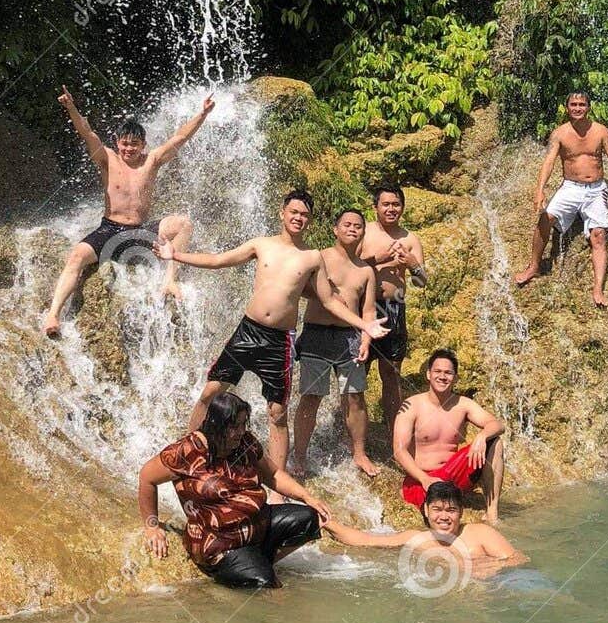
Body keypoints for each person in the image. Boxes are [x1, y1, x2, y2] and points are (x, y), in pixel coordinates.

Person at [158, 190, 387, 472]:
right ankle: (187, 453)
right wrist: (176, 255)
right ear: (282, 213)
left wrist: (365, 325)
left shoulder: (313, 258)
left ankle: (278, 482)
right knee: (210, 392)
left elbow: (328, 300)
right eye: (294, 212)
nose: (298, 218)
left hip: (279, 341)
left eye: (304, 215)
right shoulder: (261, 244)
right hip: (248, 331)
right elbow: (219, 261)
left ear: (310, 221)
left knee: (277, 413)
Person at [42, 87, 213, 335]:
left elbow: (179, 139)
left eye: (134, 144)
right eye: (124, 143)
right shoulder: (108, 158)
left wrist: (203, 114)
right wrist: (70, 107)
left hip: (140, 231)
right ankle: (53, 315)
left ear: (143, 144)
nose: (129, 149)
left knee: (183, 224)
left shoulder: (151, 161)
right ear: (117, 142)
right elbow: (87, 133)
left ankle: (170, 280)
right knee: (77, 256)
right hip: (109, 229)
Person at [137, 391, 332, 589]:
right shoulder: (186, 452)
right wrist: (151, 527)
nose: (240, 431)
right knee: (266, 584)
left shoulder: (244, 443)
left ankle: (257, 560)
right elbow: (147, 478)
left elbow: (272, 475)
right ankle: (245, 568)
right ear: (216, 426)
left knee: (309, 517)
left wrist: (307, 497)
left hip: (258, 528)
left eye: (242, 425)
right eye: (234, 426)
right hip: (219, 545)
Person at [513, 89, 608, 309]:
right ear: (567, 108)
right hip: (570, 187)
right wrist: (540, 190)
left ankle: (598, 288)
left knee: (599, 235)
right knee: (545, 217)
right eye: (574, 105)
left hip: (596, 189)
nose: (578, 108)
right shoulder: (560, 133)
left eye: (582, 105)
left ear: (589, 107)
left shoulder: (600, 131)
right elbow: (549, 161)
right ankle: (534, 266)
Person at [291, 207, 379, 480]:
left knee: (354, 397)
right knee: (311, 397)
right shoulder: (321, 258)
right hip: (316, 334)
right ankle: (300, 455)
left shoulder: (366, 271)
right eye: (347, 224)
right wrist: (324, 295)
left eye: (358, 226)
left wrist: (366, 339)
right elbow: (299, 288)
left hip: (349, 336)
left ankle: (359, 452)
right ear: (335, 229)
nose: (352, 229)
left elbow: (368, 311)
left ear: (364, 232)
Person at [392, 348, 505, 520]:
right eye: (437, 371)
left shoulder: (463, 404)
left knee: (495, 443)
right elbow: (399, 451)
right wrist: (424, 479)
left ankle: (491, 512)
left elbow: (497, 424)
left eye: (448, 373)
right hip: (424, 478)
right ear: (428, 374)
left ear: (455, 378)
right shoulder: (412, 405)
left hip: (455, 475)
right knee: (438, 516)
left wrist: (482, 437)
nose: (442, 376)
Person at [326, 481, 527, 576]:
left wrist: (479, 568)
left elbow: (519, 560)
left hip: (501, 586)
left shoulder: (479, 533)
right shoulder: (416, 538)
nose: (444, 517)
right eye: (437, 510)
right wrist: (327, 523)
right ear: (425, 510)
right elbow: (365, 540)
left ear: (461, 511)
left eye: (451, 510)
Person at [360, 183, 425, 427]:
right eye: (385, 204)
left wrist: (412, 264)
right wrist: (380, 259)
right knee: (358, 371)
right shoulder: (364, 231)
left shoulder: (410, 238)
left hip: (395, 308)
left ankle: (392, 433)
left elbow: (421, 282)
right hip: (365, 308)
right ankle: (352, 433)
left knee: (391, 372)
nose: (391, 209)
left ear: (403, 207)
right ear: (375, 207)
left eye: (396, 204)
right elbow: (347, 265)